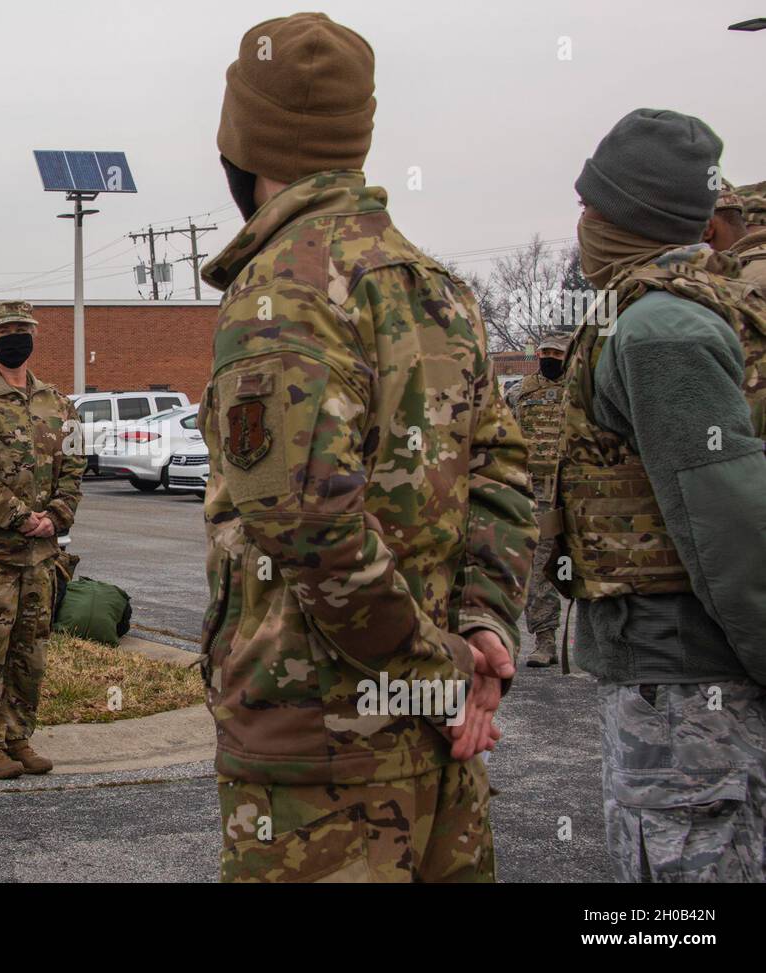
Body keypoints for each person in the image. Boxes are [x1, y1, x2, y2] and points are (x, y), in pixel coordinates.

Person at [198, 13, 537, 883]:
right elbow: (502, 467)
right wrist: (481, 625)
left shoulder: (277, 292)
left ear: (240, 136)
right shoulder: (436, 286)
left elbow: (305, 522)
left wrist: (441, 670)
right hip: (439, 749)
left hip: (319, 758)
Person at [546, 108, 766, 881]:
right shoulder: (666, 310)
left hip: (687, 681)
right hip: (676, 670)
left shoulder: (660, 330)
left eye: (592, 208)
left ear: (630, 217)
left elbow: (729, 523)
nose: (581, 224)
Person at [0, 301, 84, 779]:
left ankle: (16, 736)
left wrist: (56, 516)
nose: (14, 338)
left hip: (40, 557)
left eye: (21, 330)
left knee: (30, 652)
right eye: (4, 332)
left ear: (34, 336)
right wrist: (19, 516)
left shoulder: (59, 404)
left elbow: (74, 468)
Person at [508, 332, 571, 667]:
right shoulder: (519, 392)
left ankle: (603, 641)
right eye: (545, 351)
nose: (550, 357)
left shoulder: (582, 389)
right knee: (541, 566)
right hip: (539, 494)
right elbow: (505, 440)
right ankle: (545, 639)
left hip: (577, 491)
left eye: (556, 353)